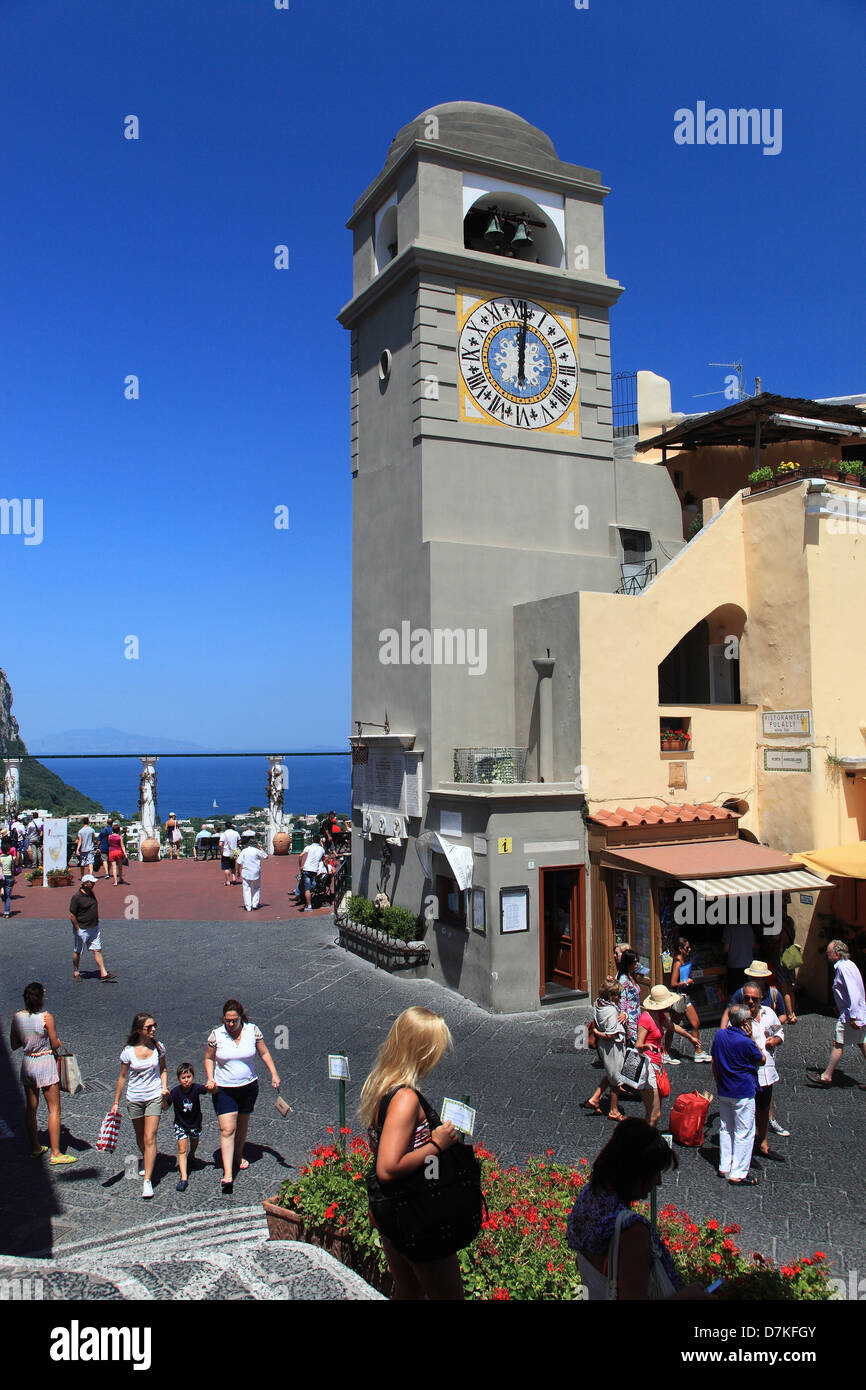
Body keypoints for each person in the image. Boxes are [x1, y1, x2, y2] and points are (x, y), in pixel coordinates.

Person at [359, 1005, 463, 1300]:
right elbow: (388, 1167)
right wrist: (437, 1143)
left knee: (409, 1291)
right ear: (424, 1050)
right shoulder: (405, 1098)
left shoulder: (382, 1085)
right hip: (416, 1215)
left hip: (393, 1210)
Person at [566, 1119, 710, 1300]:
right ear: (634, 1172)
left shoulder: (589, 1197)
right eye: (654, 1173)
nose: (658, 1181)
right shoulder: (632, 1232)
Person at [205, 999, 281, 1194]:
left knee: (242, 1124)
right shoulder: (216, 1035)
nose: (230, 1025)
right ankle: (228, 1173)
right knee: (227, 1128)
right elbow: (209, 1058)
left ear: (241, 1018)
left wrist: (274, 1073)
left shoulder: (252, 1031)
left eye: (234, 1021)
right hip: (224, 1088)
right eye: (227, 1021)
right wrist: (210, 1078)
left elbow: (264, 1053)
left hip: (248, 1086)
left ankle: (238, 1156)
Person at [9, 982, 77, 1165]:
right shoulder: (46, 1018)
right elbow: (54, 1044)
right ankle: (56, 1153)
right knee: (54, 1108)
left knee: (31, 1107)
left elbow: (14, 1045)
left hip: (28, 1062)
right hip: (45, 1062)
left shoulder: (17, 1017)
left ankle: (35, 1147)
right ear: (40, 999)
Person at [110, 1012, 169, 1199]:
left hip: (153, 1096)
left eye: (154, 1026)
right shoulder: (128, 1051)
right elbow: (122, 1077)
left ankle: (148, 1180)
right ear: (139, 1030)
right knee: (140, 1137)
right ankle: (147, 1160)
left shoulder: (159, 1047)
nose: (153, 1029)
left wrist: (164, 1087)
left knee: (150, 1137)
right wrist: (116, 1102)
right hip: (134, 1098)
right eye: (149, 1027)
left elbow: (164, 1068)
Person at [711, 1002, 765, 1185]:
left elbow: (714, 1060)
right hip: (743, 1091)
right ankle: (739, 1173)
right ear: (744, 1022)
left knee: (726, 1128)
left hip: (724, 1089)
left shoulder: (719, 1035)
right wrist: (752, 1038)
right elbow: (761, 1059)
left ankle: (724, 1166)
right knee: (744, 1132)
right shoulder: (746, 1042)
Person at [807, 940, 866, 1089]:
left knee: (838, 1043)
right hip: (855, 1012)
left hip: (850, 1015)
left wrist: (852, 1015)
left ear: (837, 954)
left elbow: (853, 991)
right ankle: (827, 1075)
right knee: (862, 1042)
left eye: (829, 953)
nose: (827, 956)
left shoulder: (843, 968)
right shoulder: (850, 965)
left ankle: (827, 1075)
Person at [741, 981, 784, 1158]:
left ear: (761, 999)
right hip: (748, 1072)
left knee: (764, 1107)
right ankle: (746, 1145)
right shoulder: (739, 1017)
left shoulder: (769, 1014)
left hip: (767, 1071)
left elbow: (779, 1032)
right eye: (747, 998)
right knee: (747, 1109)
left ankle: (763, 1142)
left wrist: (775, 1041)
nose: (750, 1002)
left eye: (754, 999)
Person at [582, 978, 627, 1121]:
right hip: (612, 1046)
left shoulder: (597, 1003)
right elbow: (611, 1033)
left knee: (611, 1072)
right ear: (611, 995)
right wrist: (598, 1033)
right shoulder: (611, 1010)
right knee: (615, 1079)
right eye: (618, 995)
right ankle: (614, 1111)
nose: (619, 997)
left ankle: (595, 1099)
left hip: (603, 1046)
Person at [636, 985, 678, 1128]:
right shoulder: (645, 1018)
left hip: (656, 1065)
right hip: (648, 1068)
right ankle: (644, 1145)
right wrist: (646, 1046)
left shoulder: (659, 1016)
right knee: (654, 1114)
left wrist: (690, 1037)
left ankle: (645, 1142)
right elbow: (638, 1045)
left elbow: (672, 1026)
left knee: (654, 1113)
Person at [665, 938, 713, 1063]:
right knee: (673, 1026)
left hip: (685, 997)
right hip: (679, 998)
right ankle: (665, 1052)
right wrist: (687, 981)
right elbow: (673, 983)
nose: (689, 949)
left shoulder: (682, 960)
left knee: (695, 1023)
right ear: (680, 949)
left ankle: (698, 1052)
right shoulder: (677, 963)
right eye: (687, 948)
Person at [68, 874, 117, 982]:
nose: (94, 884)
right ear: (85, 884)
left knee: (97, 949)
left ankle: (103, 973)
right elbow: (72, 915)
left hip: (94, 926)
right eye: (91, 882)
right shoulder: (77, 897)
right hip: (82, 928)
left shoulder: (91, 893)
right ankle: (76, 971)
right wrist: (77, 929)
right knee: (78, 951)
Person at [169, 1062, 208, 1191]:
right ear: (179, 1079)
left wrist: (212, 1085)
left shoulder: (196, 1088)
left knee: (195, 1140)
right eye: (183, 1078)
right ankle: (184, 1178)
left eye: (189, 1077)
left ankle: (192, 1154)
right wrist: (164, 1097)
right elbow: (165, 1106)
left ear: (193, 1077)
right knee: (181, 1149)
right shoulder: (175, 1092)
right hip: (180, 1124)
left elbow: (208, 1090)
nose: (186, 1080)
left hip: (195, 1122)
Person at [616, 950, 645, 1048]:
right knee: (635, 1042)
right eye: (634, 962)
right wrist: (624, 1014)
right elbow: (622, 999)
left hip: (637, 1014)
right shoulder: (624, 979)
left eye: (637, 961)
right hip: (630, 1017)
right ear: (628, 963)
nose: (637, 964)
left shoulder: (632, 975)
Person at [721, 918, 757, 996]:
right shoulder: (748, 927)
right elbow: (753, 945)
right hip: (748, 965)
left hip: (734, 965)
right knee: (748, 992)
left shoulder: (729, 927)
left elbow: (726, 949)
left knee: (735, 994)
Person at [236, 830, 267, 911]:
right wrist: (260, 848)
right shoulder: (256, 851)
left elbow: (238, 862)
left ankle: (248, 906)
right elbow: (265, 856)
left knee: (246, 888)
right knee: (256, 887)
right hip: (256, 872)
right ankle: (255, 904)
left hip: (246, 872)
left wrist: (237, 871)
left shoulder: (244, 851)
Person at [298, 835, 326, 912]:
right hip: (314, 870)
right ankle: (310, 899)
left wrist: (300, 866)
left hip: (307, 868)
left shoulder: (309, 847)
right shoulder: (322, 849)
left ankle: (309, 906)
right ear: (319, 841)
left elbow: (300, 855)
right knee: (311, 886)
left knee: (307, 888)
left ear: (312, 841)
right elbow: (324, 860)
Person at [219, 822, 241, 886]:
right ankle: (234, 878)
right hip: (233, 853)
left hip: (226, 853)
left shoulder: (224, 834)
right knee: (233, 866)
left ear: (225, 827)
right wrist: (235, 846)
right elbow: (239, 841)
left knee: (226, 868)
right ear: (231, 826)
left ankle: (228, 881)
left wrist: (221, 852)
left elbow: (220, 844)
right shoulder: (236, 833)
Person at [1, 838, 15, 917]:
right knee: (8, 896)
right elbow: (13, 869)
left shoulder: (0, 858)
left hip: (1, 877)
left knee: (3, 893)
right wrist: (13, 877)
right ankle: (7, 912)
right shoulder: (10, 857)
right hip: (9, 876)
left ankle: (1, 894)